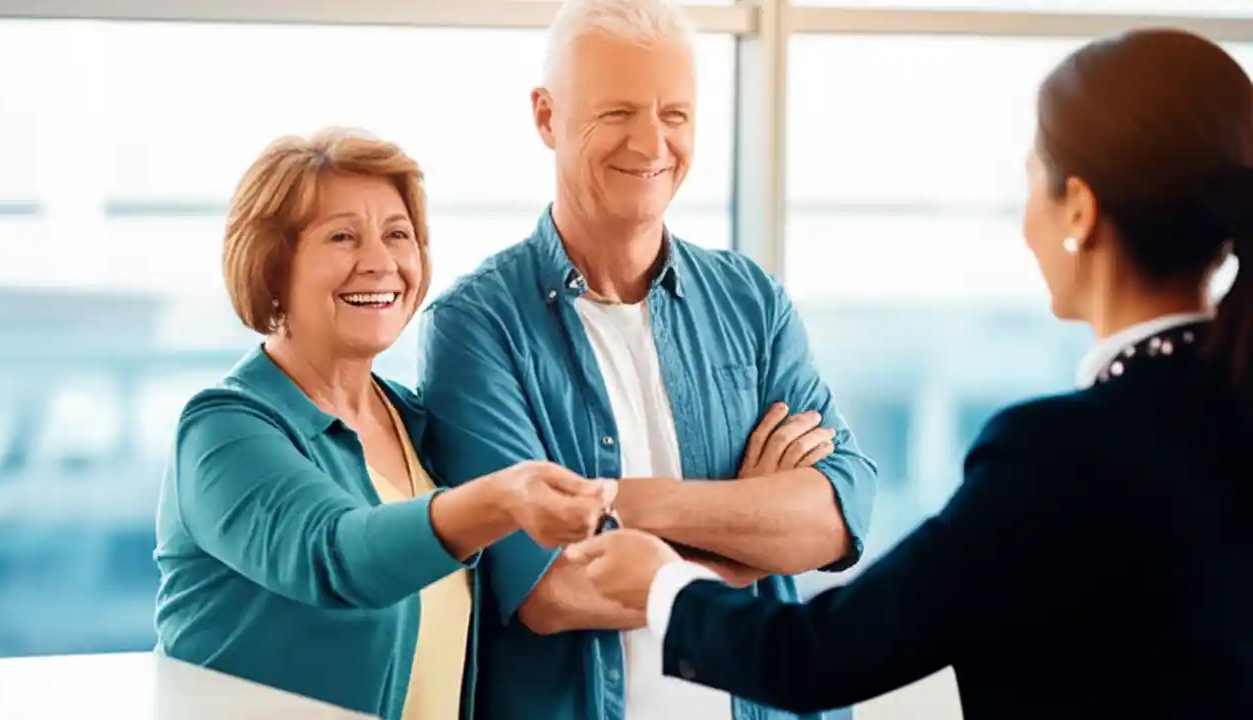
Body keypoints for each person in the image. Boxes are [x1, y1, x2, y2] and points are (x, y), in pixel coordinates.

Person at [569, 27, 1253, 719]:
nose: (1027, 225)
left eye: (1031, 188)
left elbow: (815, 657)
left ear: (1078, 207)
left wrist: (662, 581)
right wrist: (741, 541)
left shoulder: (1058, 454)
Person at [417, 1, 877, 718]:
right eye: (617, 112)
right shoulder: (474, 328)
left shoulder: (751, 302)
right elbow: (550, 592)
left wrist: (622, 503)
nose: (652, 141)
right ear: (546, 117)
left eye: (675, 114)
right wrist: (746, 547)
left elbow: (837, 518)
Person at [153, 128, 617, 720]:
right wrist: (502, 499)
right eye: (342, 237)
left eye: (397, 235)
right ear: (274, 267)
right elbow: (337, 554)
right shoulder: (222, 433)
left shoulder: (419, 425)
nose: (379, 263)